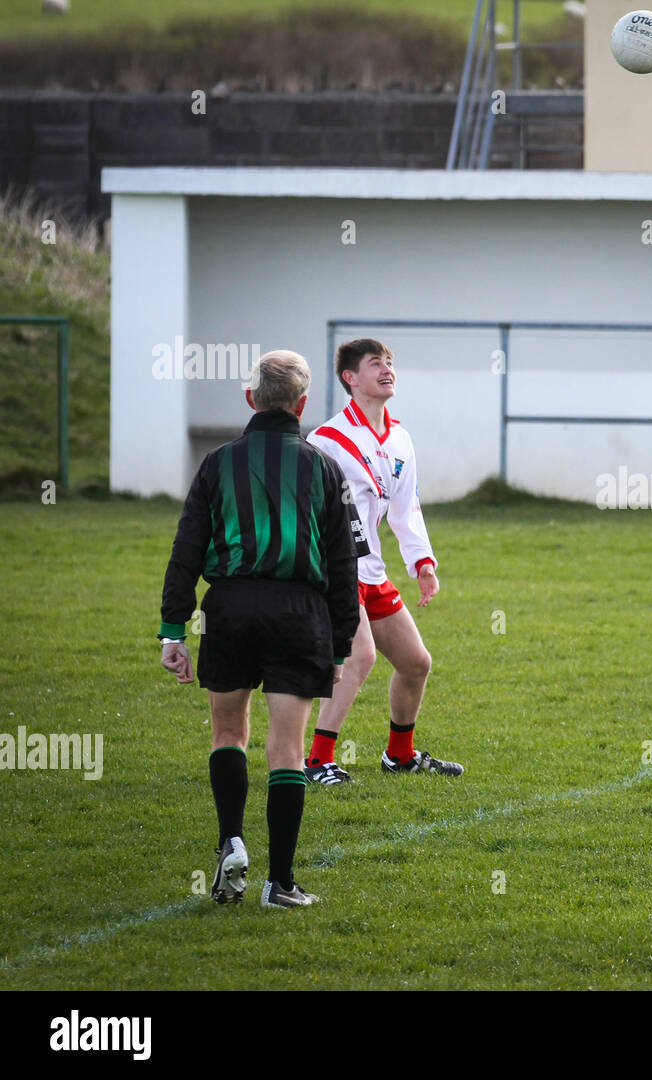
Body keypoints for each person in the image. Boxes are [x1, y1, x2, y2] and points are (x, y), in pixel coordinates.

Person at [159, 349, 361, 907]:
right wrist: (340, 641)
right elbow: (344, 565)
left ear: (250, 400)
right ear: (302, 405)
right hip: (300, 613)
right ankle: (281, 883)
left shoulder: (217, 463)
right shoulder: (325, 466)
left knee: (228, 734)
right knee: (287, 749)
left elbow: (186, 551)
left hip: (229, 608)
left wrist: (172, 629)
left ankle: (230, 842)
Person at [303, 339, 463, 784]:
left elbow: (406, 507)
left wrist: (422, 563)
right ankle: (316, 761)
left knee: (416, 662)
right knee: (360, 657)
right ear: (350, 378)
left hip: (372, 571)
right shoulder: (326, 440)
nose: (387, 370)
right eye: (376, 364)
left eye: (390, 362)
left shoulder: (400, 438)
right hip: (336, 572)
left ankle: (400, 755)